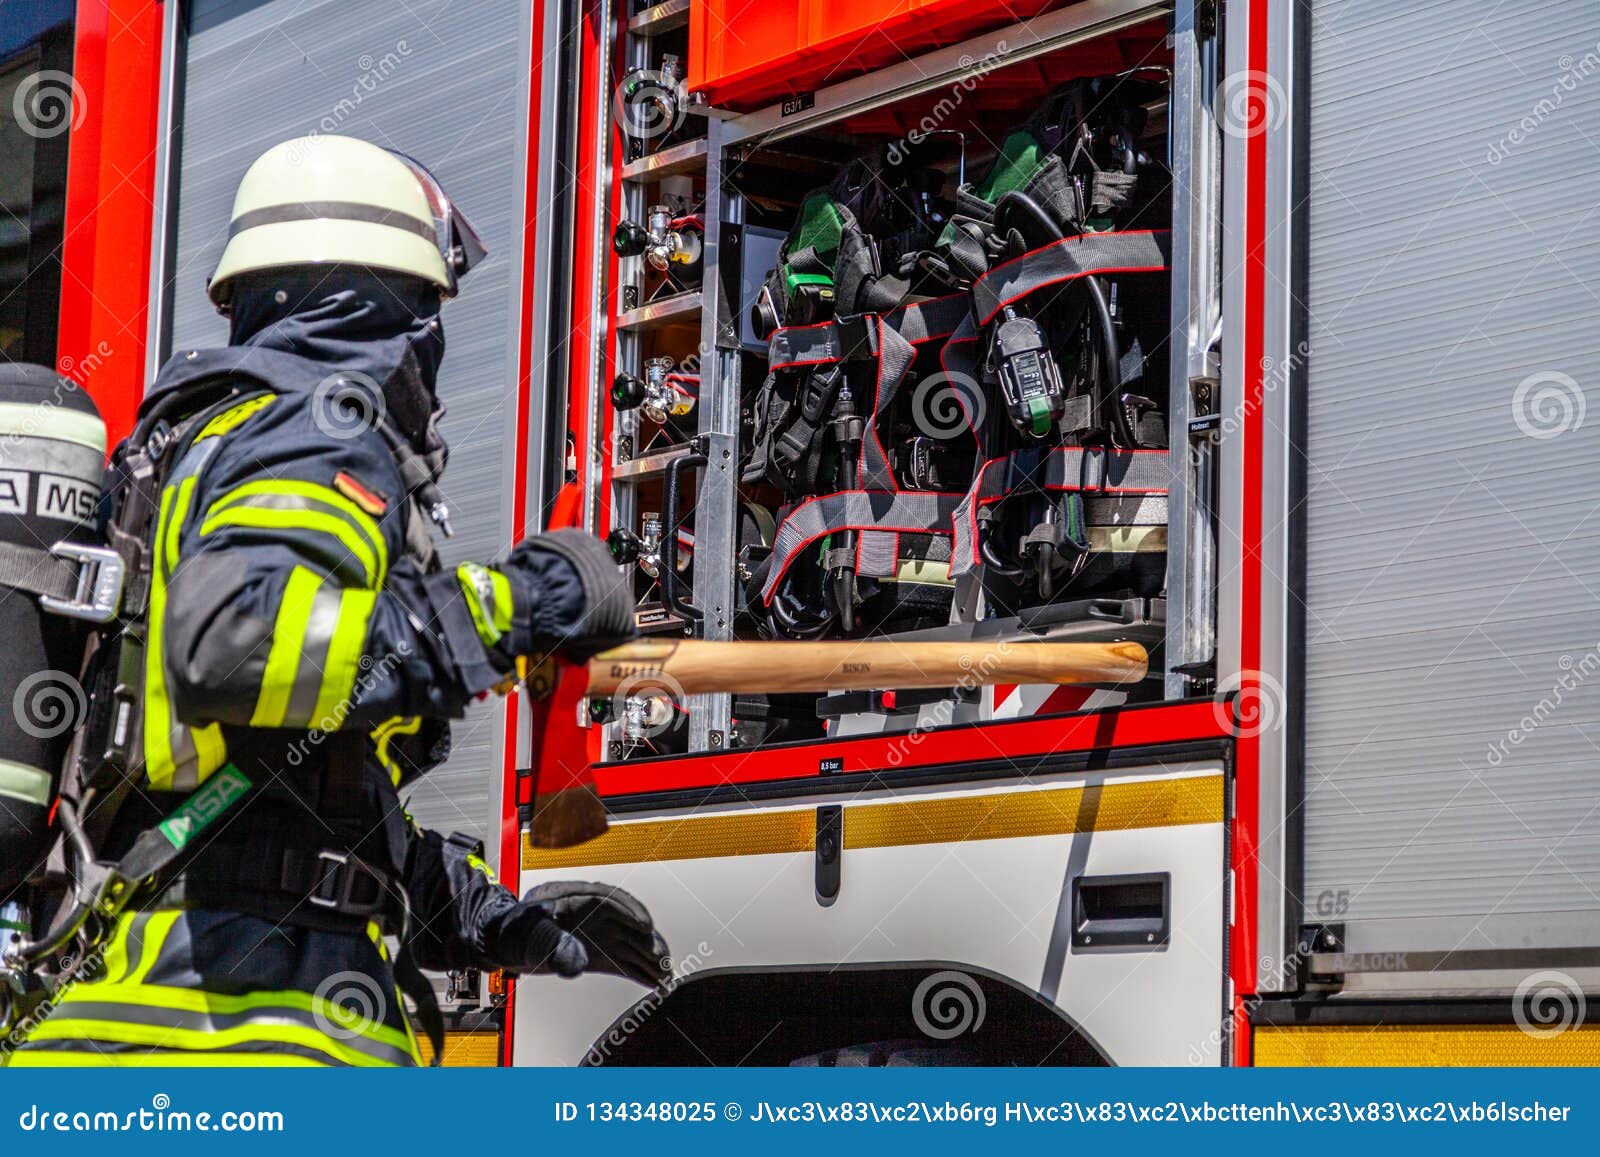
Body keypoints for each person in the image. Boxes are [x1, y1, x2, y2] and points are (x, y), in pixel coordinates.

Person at [7, 135, 665, 1067]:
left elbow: (279, 796)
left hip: (125, 1023)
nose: (433, 348)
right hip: (248, 1042)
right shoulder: (318, 428)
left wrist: (479, 916)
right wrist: (528, 600)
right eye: (430, 311)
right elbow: (239, 649)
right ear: (381, 303)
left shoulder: (199, 449)